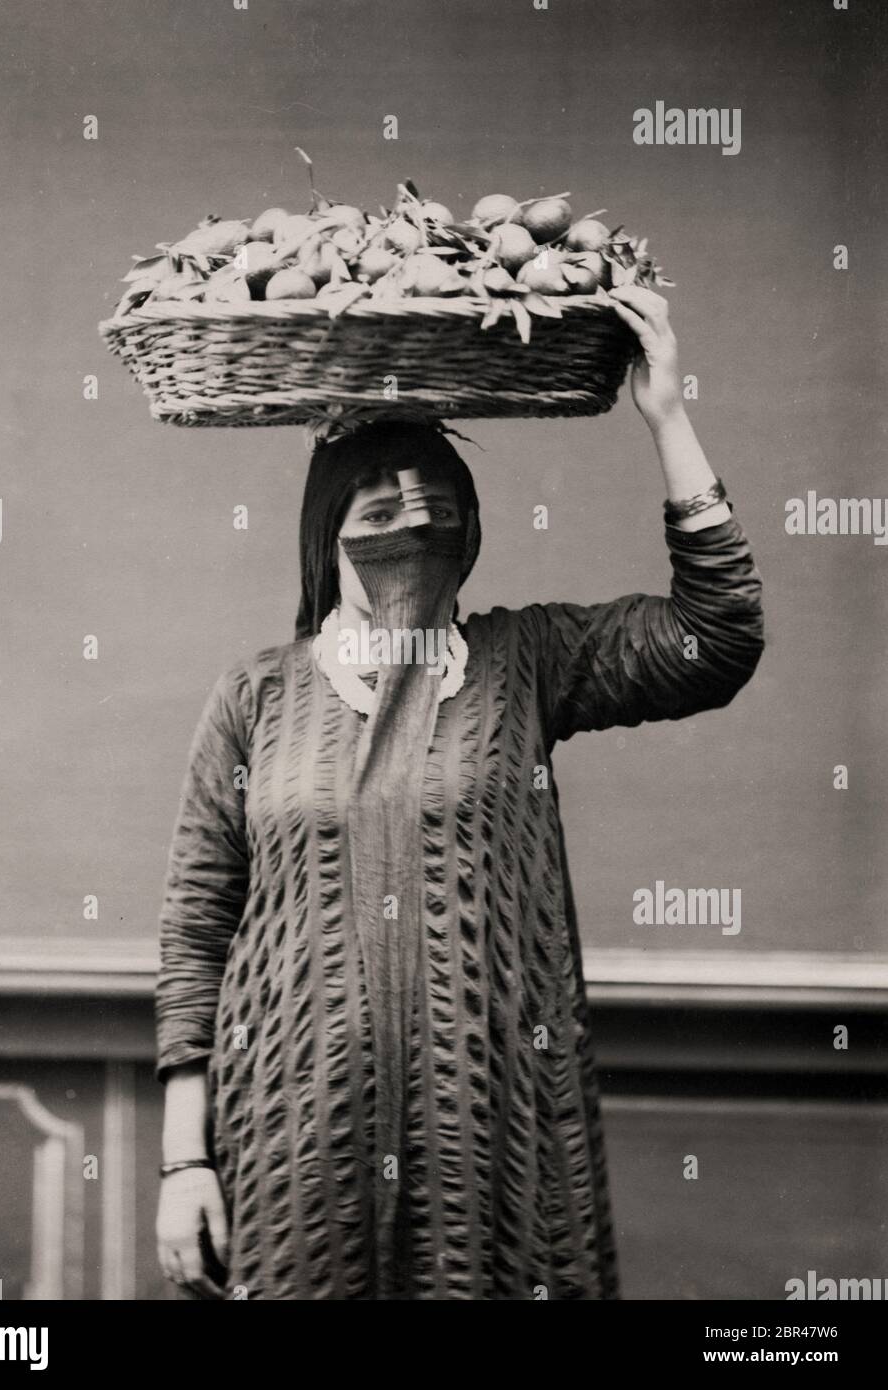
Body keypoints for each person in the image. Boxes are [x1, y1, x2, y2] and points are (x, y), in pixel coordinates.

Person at [153, 284, 765, 1300]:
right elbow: (194, 931)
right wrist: (185, 1161)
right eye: (381, 511)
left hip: (494, 1140)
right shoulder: (256, 694)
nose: (415, 526)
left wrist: (666, 411)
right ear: (325, 532)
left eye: (439, 509)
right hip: (292, 1145)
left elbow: (718, 637)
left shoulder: (526, 660)